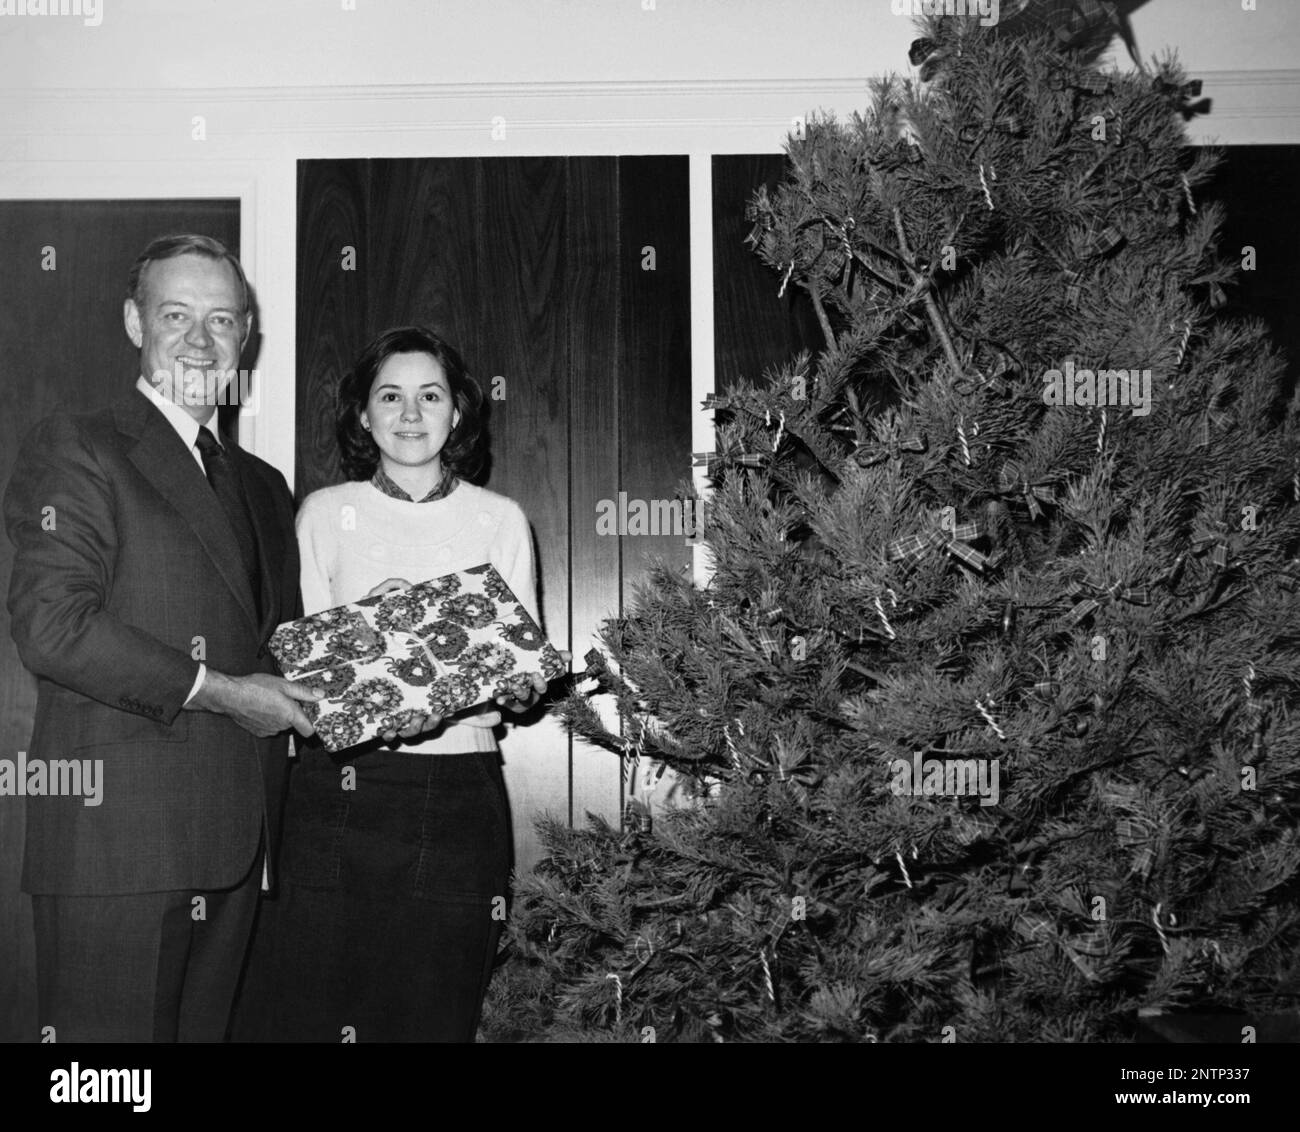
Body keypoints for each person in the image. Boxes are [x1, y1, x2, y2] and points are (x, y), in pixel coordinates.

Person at [3, 233, 321, 1042]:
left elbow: (280, 651)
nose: (200, 338)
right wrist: (221, 693)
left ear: (245, 337)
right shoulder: (78, 445)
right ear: (134, 323)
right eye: (175, 314)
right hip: (119, 851)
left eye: (221, 320)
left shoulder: (265, 487)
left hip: (241, 851)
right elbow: (53, 627)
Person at [235, 325, 554, 1043]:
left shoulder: (500, 520)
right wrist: (375, 643)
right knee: (320, 1011)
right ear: (362, 415)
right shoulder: (321, 514)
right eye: (391, 396)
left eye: (430, 396)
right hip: (341, 792)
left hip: (461, 795)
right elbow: (309, 672)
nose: (411, 415)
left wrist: (512, 688)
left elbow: (522, 677)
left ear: (459, 413)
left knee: (436, 1014)